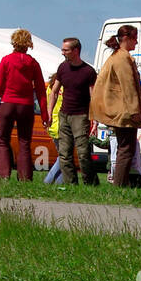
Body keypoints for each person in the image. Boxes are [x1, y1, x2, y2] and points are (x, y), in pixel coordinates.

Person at [0, 29, 49, 181]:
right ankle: (25, 177)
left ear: (13, 42)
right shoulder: (33, 63)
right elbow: (41, 90)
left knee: (2, 141)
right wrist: (44, 114)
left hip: (8, 103)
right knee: (24, 142)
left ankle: (3, 175)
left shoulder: (6, 60)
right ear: (28, 44)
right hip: (26, 106)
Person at [90, 25, 141, 187]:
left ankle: (121, 183)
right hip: (124, 113)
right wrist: (135, 110)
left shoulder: (117, 56)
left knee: (123, 149)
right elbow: (128, 87)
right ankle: (120, 185)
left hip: (121, 111)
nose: (136, 41)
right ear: (126, 38)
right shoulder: (122, 58)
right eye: (135, 37)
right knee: (126, 150)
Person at [47, 36, 98, 187]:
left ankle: (91, 184)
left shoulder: (88, 71)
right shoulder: (62, 68)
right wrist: (49, 113)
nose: (62, 52)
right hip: (64, 115)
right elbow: (54, 92)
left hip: (81, 116)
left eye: (65, 50)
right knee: (64, 154)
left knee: (83, 154)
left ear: (76, 51)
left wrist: (94, 121)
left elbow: (93, 98)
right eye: (62, 49)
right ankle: (71, 185)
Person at [43, 77, 64, 185]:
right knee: (64, 157)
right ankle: (48, 180)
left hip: (52, 125)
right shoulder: (64, 88)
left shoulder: (50, 88)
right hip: (61, 125)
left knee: (62, 155)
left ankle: (59, 183)